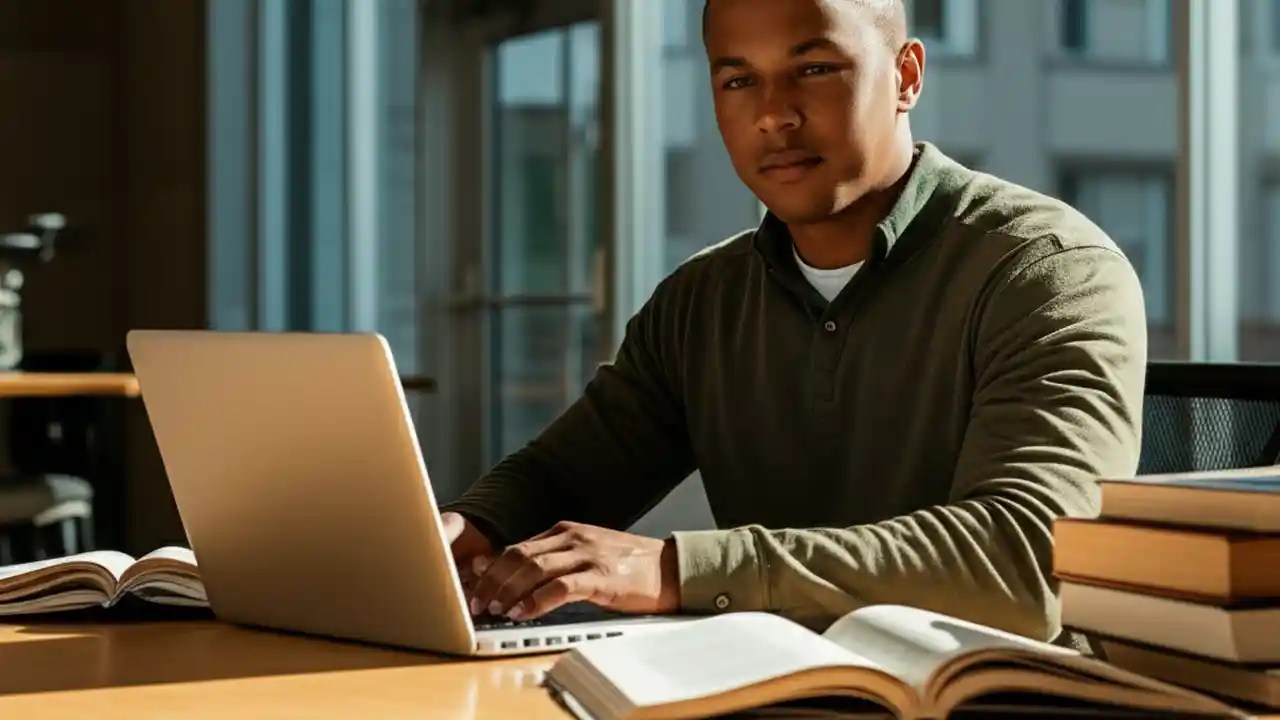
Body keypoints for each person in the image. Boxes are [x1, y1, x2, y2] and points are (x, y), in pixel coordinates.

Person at [440, 0, 1147, 644]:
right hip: (766, 686)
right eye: (738, 80)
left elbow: (1028, 561)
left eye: (814, 69)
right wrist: (466, 530)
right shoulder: (701, 299)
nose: (773, 115)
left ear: (906, 76)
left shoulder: (1049, 271)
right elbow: (569, 472)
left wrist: (678, 570)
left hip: (993, 697)